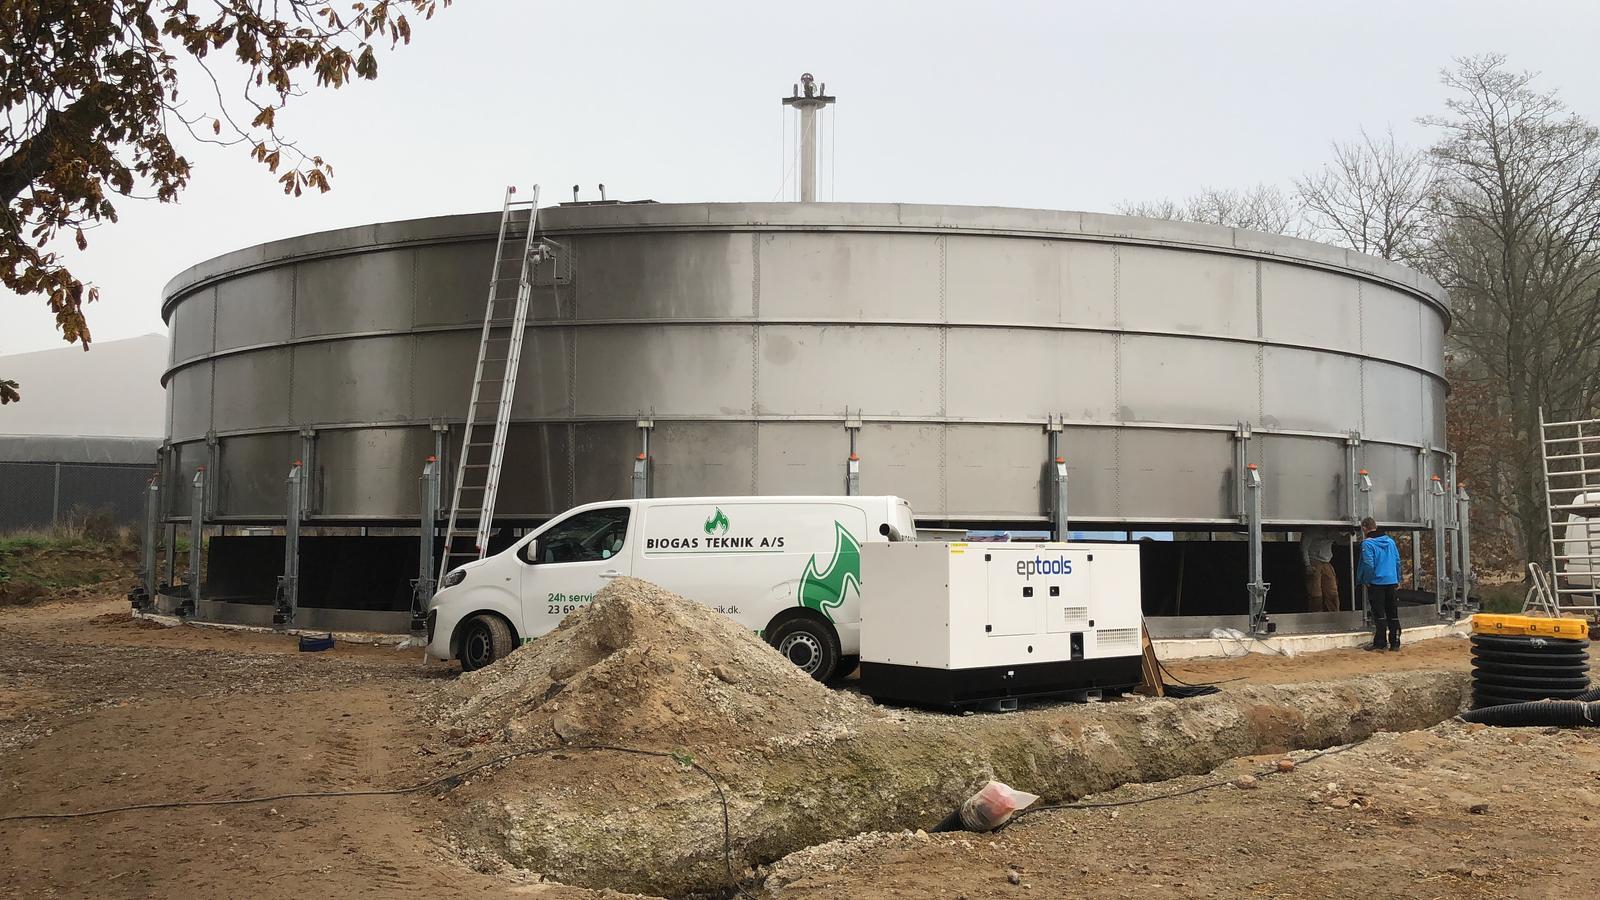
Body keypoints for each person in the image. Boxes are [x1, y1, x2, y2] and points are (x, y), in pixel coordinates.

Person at [1357, 516, 1402, 651]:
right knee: (1393, 613)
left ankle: (1380, 643)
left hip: (1377, 582)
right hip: (1391, 580)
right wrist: (1398, 578)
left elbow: (1368, 564)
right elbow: (1397, 561)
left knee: (1379, 613)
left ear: (1364, 528)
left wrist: (1367, 580)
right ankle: (1395, 643)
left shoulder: (1367, 544)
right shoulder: (1390, 541)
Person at [1299, 526, 1341, 613]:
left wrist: (1350, 534)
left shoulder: (1332, 530)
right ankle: (1316, 617)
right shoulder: (1311, 529)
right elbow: (1304, 547)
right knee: (1316, 594)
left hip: (1326, 563)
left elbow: (1341, 540)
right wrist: (1307, 565)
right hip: (1314, 561)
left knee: (1332, 592)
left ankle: (1334, 615)